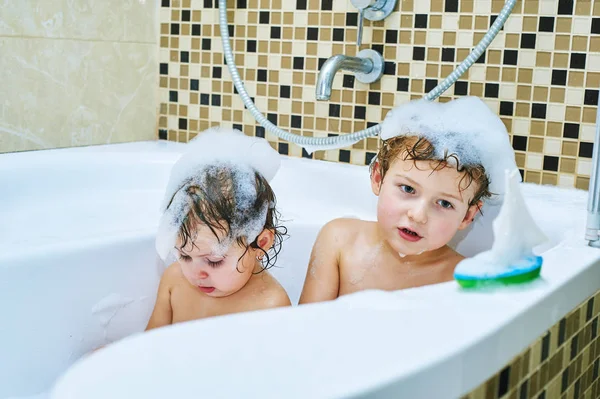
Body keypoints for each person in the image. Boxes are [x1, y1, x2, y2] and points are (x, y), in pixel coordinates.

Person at [299, 97, 517, 303]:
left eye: (444, 203)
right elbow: (303, 328)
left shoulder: (463, 280)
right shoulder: (340, 241)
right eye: (408, 189)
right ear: (378, 178)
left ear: (468, 215)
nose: (418, 215)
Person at [147, 128, 291, 329]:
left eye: (214, 261)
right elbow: (148, 345)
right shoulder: (175, 280)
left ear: (261, 243)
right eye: (185, 256)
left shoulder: (269, 305)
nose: (197, 273)